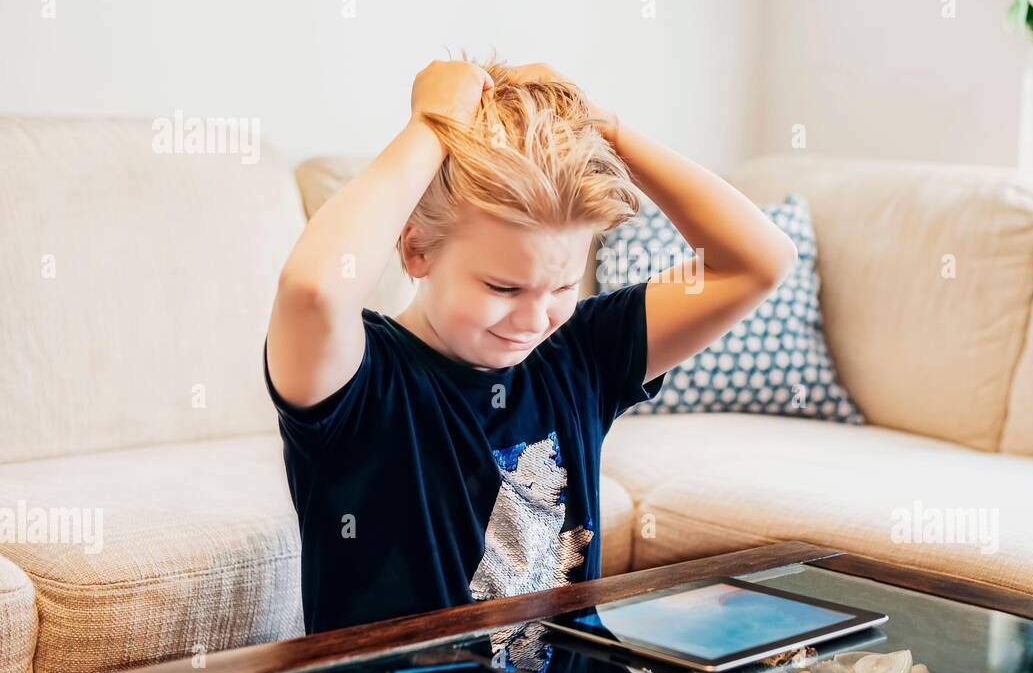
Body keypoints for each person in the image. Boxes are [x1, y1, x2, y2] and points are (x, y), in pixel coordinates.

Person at [263, 50, 797, 637]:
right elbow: (314, 288)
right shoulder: (359, 384)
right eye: (503, 286)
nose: (536, 318)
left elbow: (757, 261)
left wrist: (607, 131)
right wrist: (429, 128)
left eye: (563, 285)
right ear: (415, 249)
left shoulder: (581, 354)